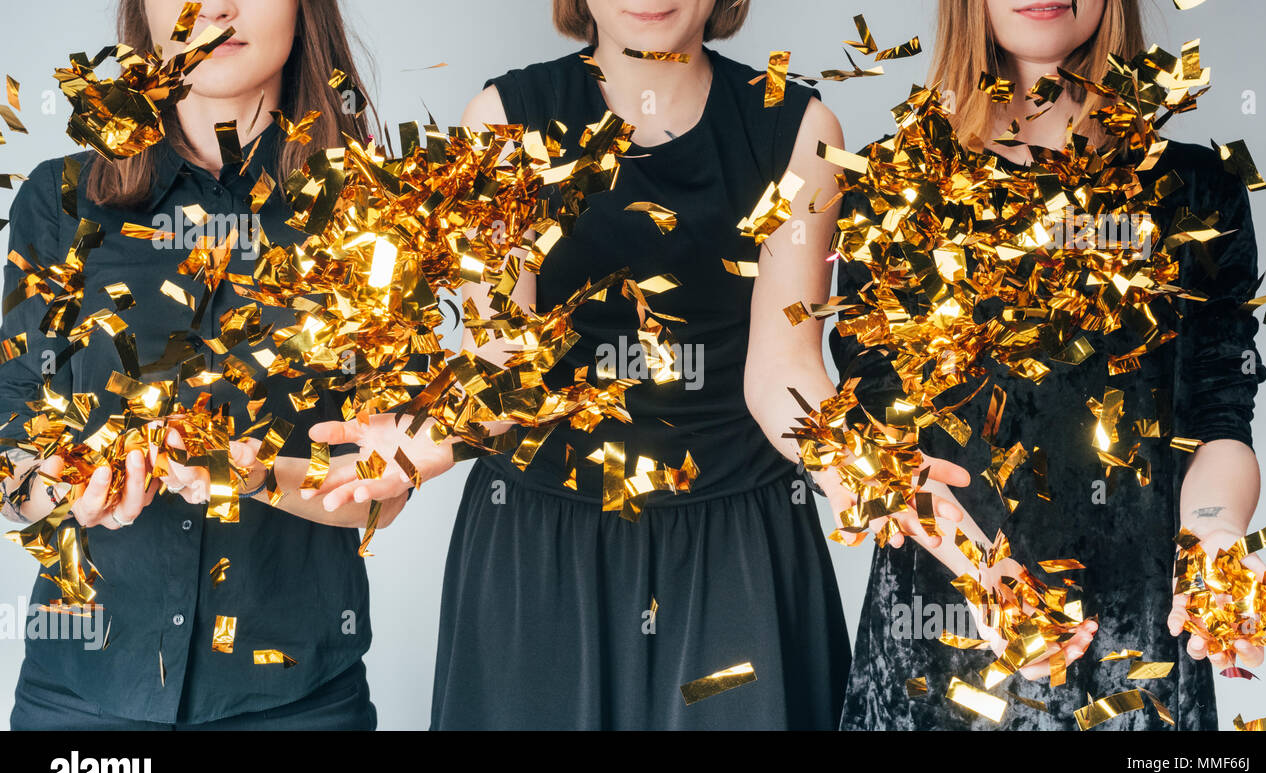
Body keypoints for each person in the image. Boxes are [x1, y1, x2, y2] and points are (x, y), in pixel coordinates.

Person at [303, 0, 943, 730]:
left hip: (739, 553)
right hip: (539, 552)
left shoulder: (799, 130)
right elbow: (505, 357)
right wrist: (424, 440)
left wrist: (870, 476)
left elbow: (783, 373)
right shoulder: (503, 120)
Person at [831, 0, 1266, 731]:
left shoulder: (1198, 193)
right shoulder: (891, 192)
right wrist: (984, 577)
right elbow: (876, 433)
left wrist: (1216, 539)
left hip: (1134, 663)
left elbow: (1220, 418)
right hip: (940, 662)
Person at [0, 0, 403, 730]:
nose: (213, 6)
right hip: (82, 703)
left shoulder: (370, 213)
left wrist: (257, 477)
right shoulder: (60, 203)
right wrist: (59, 488)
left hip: (298, 705)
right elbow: (8, 439)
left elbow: (385, 487)